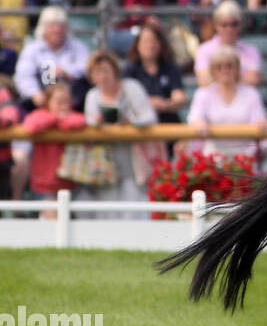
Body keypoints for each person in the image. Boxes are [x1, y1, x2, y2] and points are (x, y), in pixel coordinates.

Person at [82, 48, 163, 217]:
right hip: (106, 160)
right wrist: (96, 122)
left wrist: (131, 122)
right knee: (107, 199)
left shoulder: (131, 88)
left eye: (105, 71)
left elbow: (149, 117)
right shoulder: (92, 95)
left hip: (134, 157)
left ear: (114, 71)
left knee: (133, 195)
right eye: (97, 72)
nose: (102, 76)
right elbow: (88, 122)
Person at [187, 45, 267, 160]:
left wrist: (263, 122)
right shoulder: (203, 93)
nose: (225, 70)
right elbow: (195, 118)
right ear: (213, 71)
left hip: (245, 158)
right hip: (213, 159)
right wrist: (200, 122)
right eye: (219, 67)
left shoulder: (251, 93)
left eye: (229, 66)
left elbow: (259, 118)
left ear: (237, 68)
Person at [21, 81, 83, 215]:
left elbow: (80, 121)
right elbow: (31, 126)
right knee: (51, 224)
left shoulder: (72, 115)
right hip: (44, 185)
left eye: (67, 101)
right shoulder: (40, 114)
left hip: (69, 183)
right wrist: (56, 118)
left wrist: (60, 122)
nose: (64, 106)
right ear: (48, 102)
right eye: (59, 102)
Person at [124, 22, 186, 126]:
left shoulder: (170, 68)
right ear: (137, 45)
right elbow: (125, 100)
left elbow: (179, 98)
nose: (150, 46)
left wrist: (164, 105)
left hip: (168, 125)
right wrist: (147, 103)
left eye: (154, 41)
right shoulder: (130, 70)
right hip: (140, 128)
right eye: (146, 41)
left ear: (160, 44)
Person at [193, 0, 262, 87]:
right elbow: (204, 81)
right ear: (216, 25)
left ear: (241, 24)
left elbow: (253, 80)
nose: (229, 29)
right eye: (224, 24)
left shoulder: (251, 50)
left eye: (234, 24)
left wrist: (220, 78)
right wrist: (236, 79)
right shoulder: (204, 50)